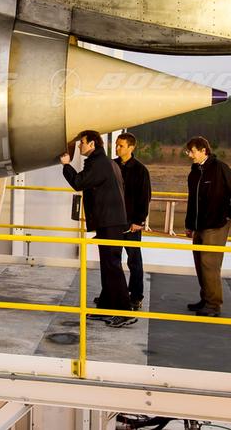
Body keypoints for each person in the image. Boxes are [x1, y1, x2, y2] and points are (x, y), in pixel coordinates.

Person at [61, 130, 137, 328]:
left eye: (82, 143)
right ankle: (106, 306)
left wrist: (66, 165)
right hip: (109, 222)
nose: (79, 146)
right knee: (107, 265)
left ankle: (124, 311)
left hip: (110, 222)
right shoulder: (104, 162)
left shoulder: (100, 163)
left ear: (92, 144)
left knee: (112, 265)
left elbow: (78, 182)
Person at [184, 136, 231, 317]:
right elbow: (192, 201)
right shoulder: (194, 172)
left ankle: (213, 305)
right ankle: (205, 299)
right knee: (199, 263)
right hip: (199, 226)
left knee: (209, 264)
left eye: (192, 151)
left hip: (216, 225)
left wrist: (230, 214)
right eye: (188, 152)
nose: (189, 155)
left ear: (204, 150)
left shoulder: (220, 168)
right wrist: (189, 225)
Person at [114, 132, 151, 311]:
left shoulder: (140, 170)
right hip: (113, 222)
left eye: (121, 145)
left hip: (131, 224)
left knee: (134, 261)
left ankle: (136, 296)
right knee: (112, 261)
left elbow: (145, 197)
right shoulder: (112, 165)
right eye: (116, 145)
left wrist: (138, 221)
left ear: (131, 147)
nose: (117, 148)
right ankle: (113, 294)